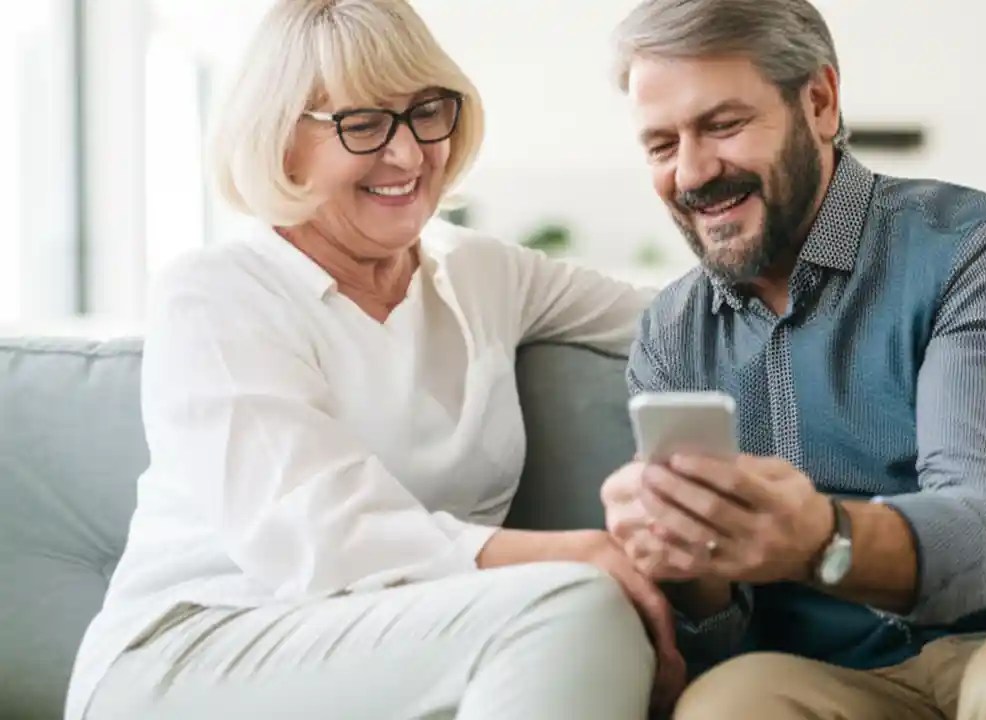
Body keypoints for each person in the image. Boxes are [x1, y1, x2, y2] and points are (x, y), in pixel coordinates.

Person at [600, 1, 986, 718]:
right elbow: (716, 633)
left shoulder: (982, 253)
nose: (691, 172)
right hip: (849, 682)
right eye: (661, 145)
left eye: (724, 125)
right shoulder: (673, 334)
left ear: (819, 101)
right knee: (730, 701)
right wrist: (682, 558)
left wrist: (820, 539)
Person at [64, 1, 687, 718]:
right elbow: (323, 533)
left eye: (427, 111)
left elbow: (680, 322)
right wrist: (578, 554)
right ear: (280, 142)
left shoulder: (483, 273)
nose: (410, 154)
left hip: (407, 647)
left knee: (573, 607)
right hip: (194, 647)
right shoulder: (216, 293)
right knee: (572, 606)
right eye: (363, 124)